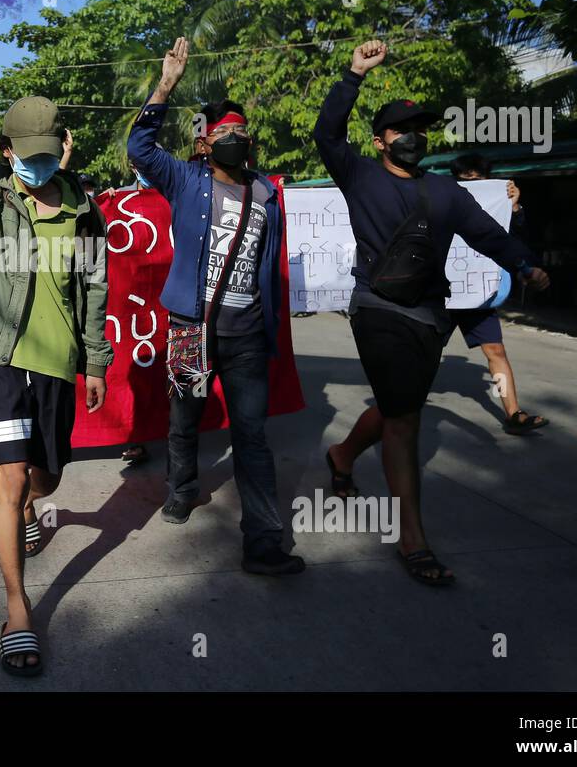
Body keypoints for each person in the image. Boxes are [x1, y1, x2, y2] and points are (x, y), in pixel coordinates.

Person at [314, 40, 551, 586]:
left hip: (429, 317)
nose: (412, 136)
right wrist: (353, 74)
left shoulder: (445, 192)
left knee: (403, 406)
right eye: (401, 129)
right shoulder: (358, 175)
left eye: (419, 128)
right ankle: (413, 540)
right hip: (376, 309)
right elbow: (327, 133)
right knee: (405, 420)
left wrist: (525, 264)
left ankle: (342, 455)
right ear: (380, 141)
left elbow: (489, 235)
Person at [0, 16, 112, 677]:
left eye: (45, 151)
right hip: (0, 361)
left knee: (46, 475)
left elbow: (95, 288)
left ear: (61, 146)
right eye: (22, 152)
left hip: (59, 364)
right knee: (8, 479)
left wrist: (95, 362)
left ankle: (39, 504)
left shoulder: (83, 211)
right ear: (8, 149)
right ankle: (18, 608)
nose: (34, 163)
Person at [128, 36, 302, 578]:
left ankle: (265, 541)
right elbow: (139, 148)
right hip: (191, 328)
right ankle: (181, 491)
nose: (233, 138)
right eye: (222, 132)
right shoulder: (186, 181)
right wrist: (166, 84)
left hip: (247, 332)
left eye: (240, 132)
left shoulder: (268, 193)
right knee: (185, 420)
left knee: (251, 434)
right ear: (205, 144)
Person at [448, 154, 548, 434]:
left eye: (476, 178)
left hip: (478, 292)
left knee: (496, 351)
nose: (471, 183)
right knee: (422, 355)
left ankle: (513, 413)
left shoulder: (500, 203)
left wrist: (513, 208)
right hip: (441, 293)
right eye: (464, 178)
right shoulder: (440, 200)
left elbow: (512, 242)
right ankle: (399, 415)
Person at [100, 161, 158, 465]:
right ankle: (135, 435)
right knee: (127, 370)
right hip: (128, 303)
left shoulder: (173, 198)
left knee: (164, 373)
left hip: (163, 300)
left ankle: (170, 434)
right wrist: (104, 203)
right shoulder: (118, 199)